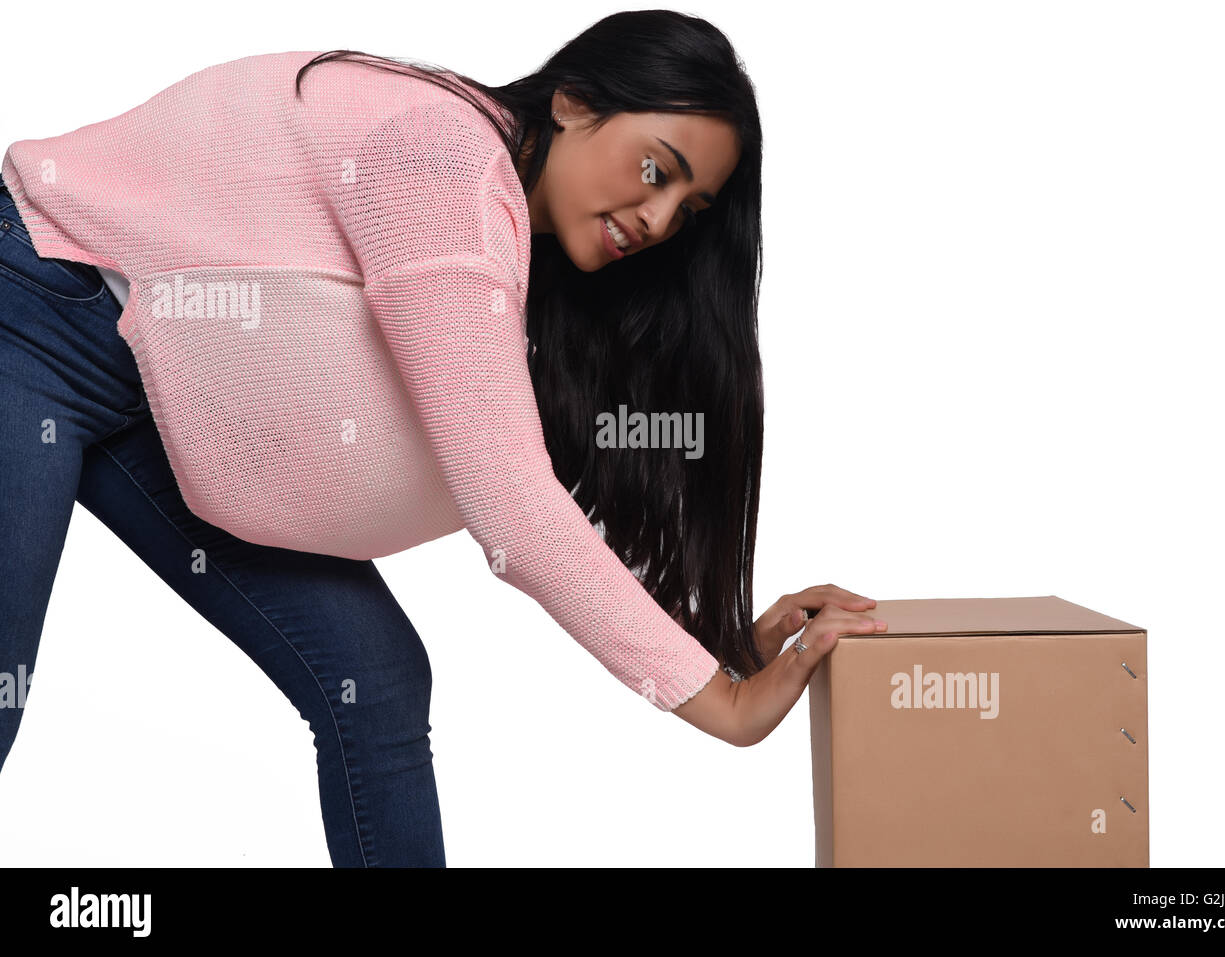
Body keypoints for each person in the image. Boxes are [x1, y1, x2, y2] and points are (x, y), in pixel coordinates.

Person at [0, 10, 887, 867]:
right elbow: (509, 497)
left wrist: (716, 644)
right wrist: (722, 702)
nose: (659, 221)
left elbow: (530, 475)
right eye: (659, 170)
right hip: (34, 304)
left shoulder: (522, 243)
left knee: (374, 682)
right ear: (574, 100)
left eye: (688, 211)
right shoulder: (443, 162)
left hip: (163, 379)